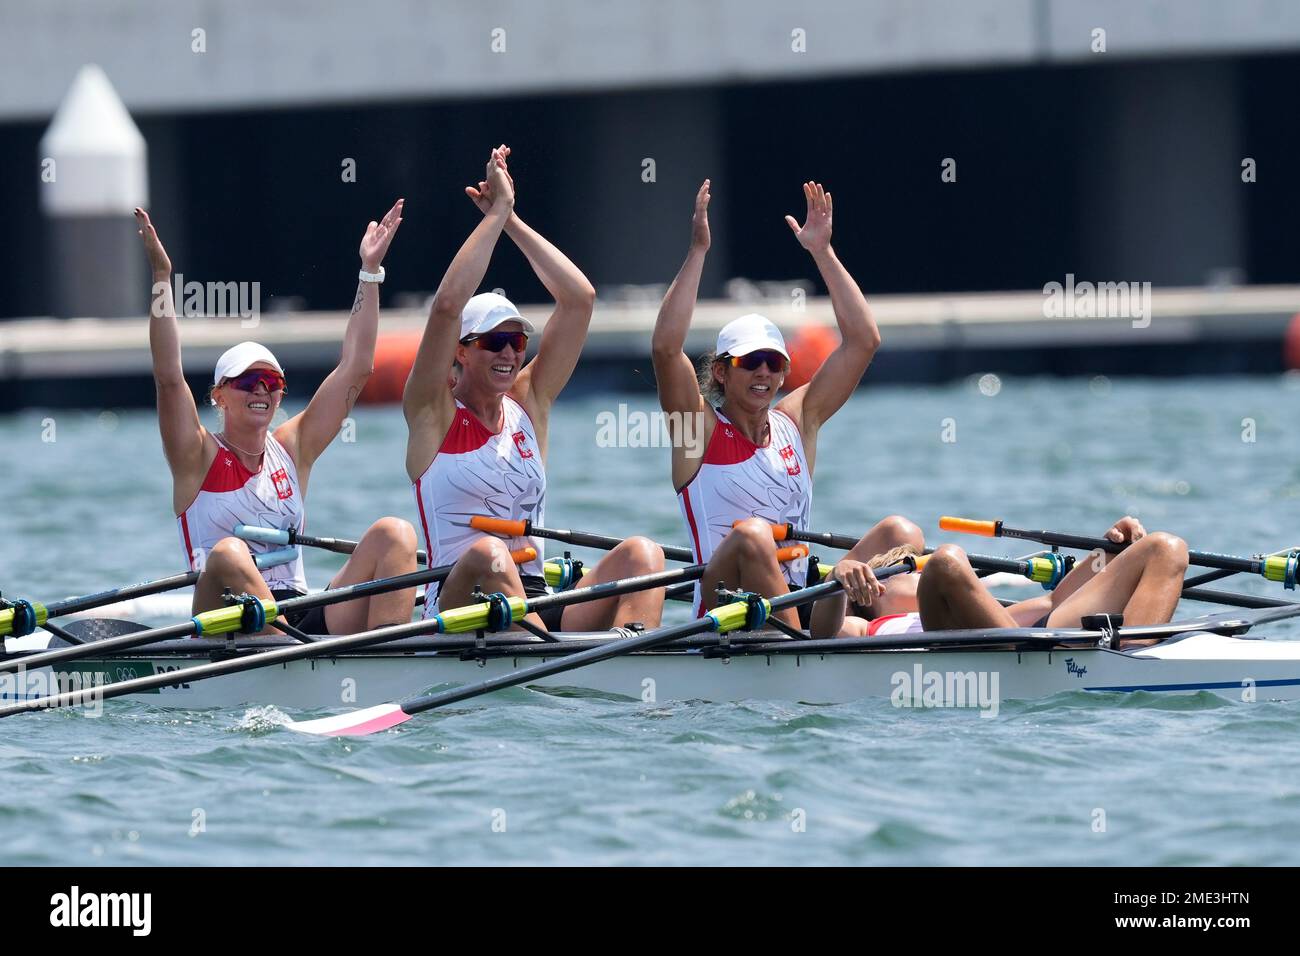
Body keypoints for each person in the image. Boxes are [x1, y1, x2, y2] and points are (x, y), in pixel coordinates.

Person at [403, 145, 665, 633]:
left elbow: (579, 299)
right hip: (462, 604)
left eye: (517, 342)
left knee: (643, 555)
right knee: (490, 553)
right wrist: (493, 214)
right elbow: (445, 307)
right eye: (495, 342)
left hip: (535, 599)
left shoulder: (530, 402)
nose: (509, 354)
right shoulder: (431, 413)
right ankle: (558, 663)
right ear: (460, 351)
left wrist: (512, 222)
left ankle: (635, 678)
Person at [134, 201, 418, 636]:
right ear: (219, 396)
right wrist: (160, 279)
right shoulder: (195, 455)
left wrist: (370, 272)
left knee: (394, 534)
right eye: (248, 381)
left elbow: (357, 368)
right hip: (226, 617)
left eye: (272, 382)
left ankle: (390, 661)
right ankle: (296, 655)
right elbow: (169, 378)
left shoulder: (293, 447)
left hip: (298, 611)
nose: (262, 390)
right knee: (229, 553)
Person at [652, 178, 918, 635]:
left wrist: (822, 253)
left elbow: (863, 341)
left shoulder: (799, 420)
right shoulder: (697, 429)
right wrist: (698, 252)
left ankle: (901, 627)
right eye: (750, 362)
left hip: (797, 593)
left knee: (901, 533)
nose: (764, 373)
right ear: (720, 372)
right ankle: (812, 647)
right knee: (753, 533)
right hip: (726, 606)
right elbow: (664, 349)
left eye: (774, 362)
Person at [832, 517, 1190, 640]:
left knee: (1167, 547)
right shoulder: (865, 628)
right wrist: (839, 574)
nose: (921, 572)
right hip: (992, 651)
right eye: (911, 571)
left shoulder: (986, 604)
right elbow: (824, 632)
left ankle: (1137, 653)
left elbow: (1055, 603)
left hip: (1033, 637)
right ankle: (1128, 666)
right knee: (947, 559)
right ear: (874, 593)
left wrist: (1109, 553)